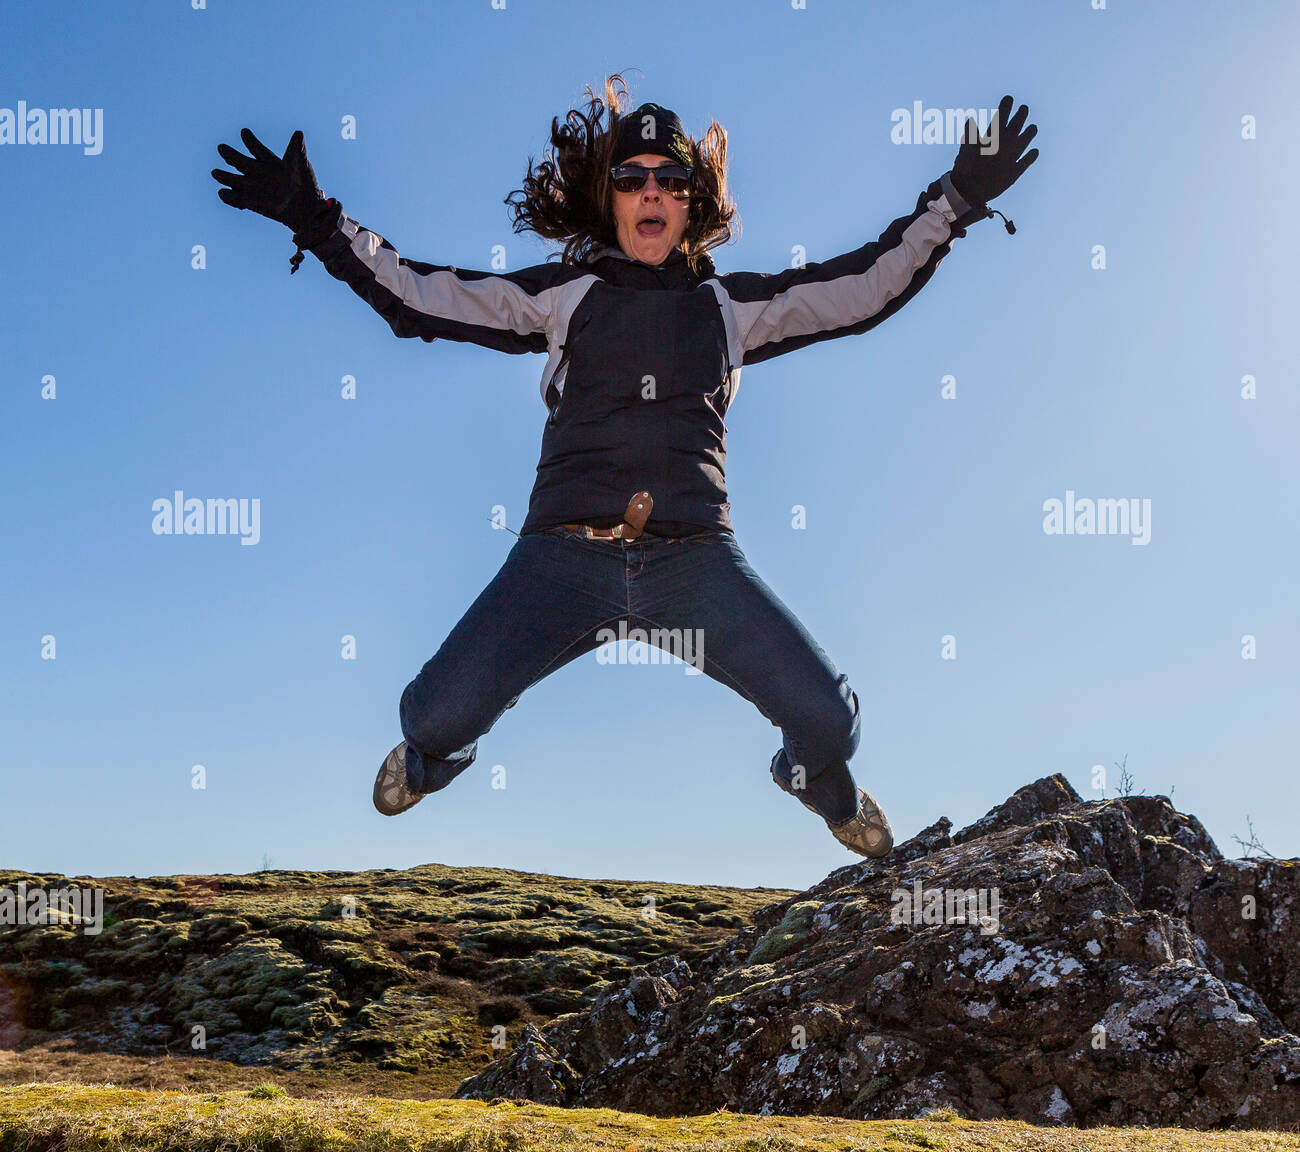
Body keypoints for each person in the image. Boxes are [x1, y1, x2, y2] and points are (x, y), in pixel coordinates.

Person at [212, 77, 1037, 859]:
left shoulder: (731, 306)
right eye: (633, 178)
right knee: (429, 714)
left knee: (833, 724)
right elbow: (418, 297)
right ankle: (438, 758)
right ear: (608, 199)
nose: (651, 192)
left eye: (670, 180)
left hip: (696, 566)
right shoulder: (562, 295)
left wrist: (955, 202)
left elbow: (861, 288)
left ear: (691, 201)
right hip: (563, 561)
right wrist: (317, 220)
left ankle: (811, 778)